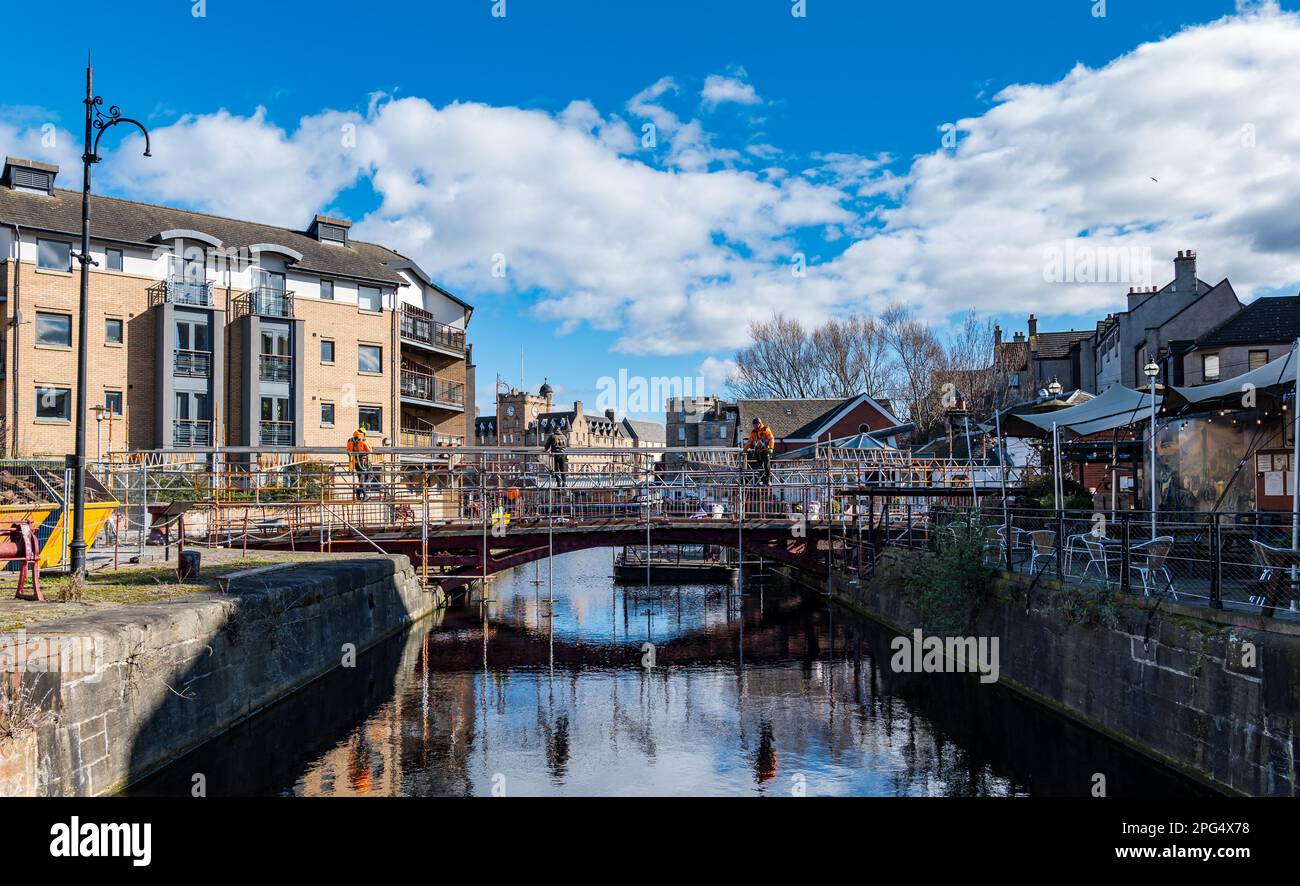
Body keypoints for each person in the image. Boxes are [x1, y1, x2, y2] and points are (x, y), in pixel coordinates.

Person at [347, 427, 379, 499]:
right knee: (371, 475)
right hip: (364, 462)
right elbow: (369, 451)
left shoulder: (350, 440)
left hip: (356, 462)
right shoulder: (363, 440)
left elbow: (348, 451)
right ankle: (363, 492)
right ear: (363, 433)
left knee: (361, 478)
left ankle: (359, 491)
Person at [745, 417, 775, 486]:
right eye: (754, 425)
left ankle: (767, 480)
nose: (755, 426)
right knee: (759, 466)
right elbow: (749, 442)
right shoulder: (753, 432)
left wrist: (771, 448)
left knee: (767, 465)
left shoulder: (766, 429)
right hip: (758, 451)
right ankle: (762, 479)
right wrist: (745, 449)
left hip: (766, 450)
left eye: (756, 425)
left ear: (759, 424)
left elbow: (771, 439)